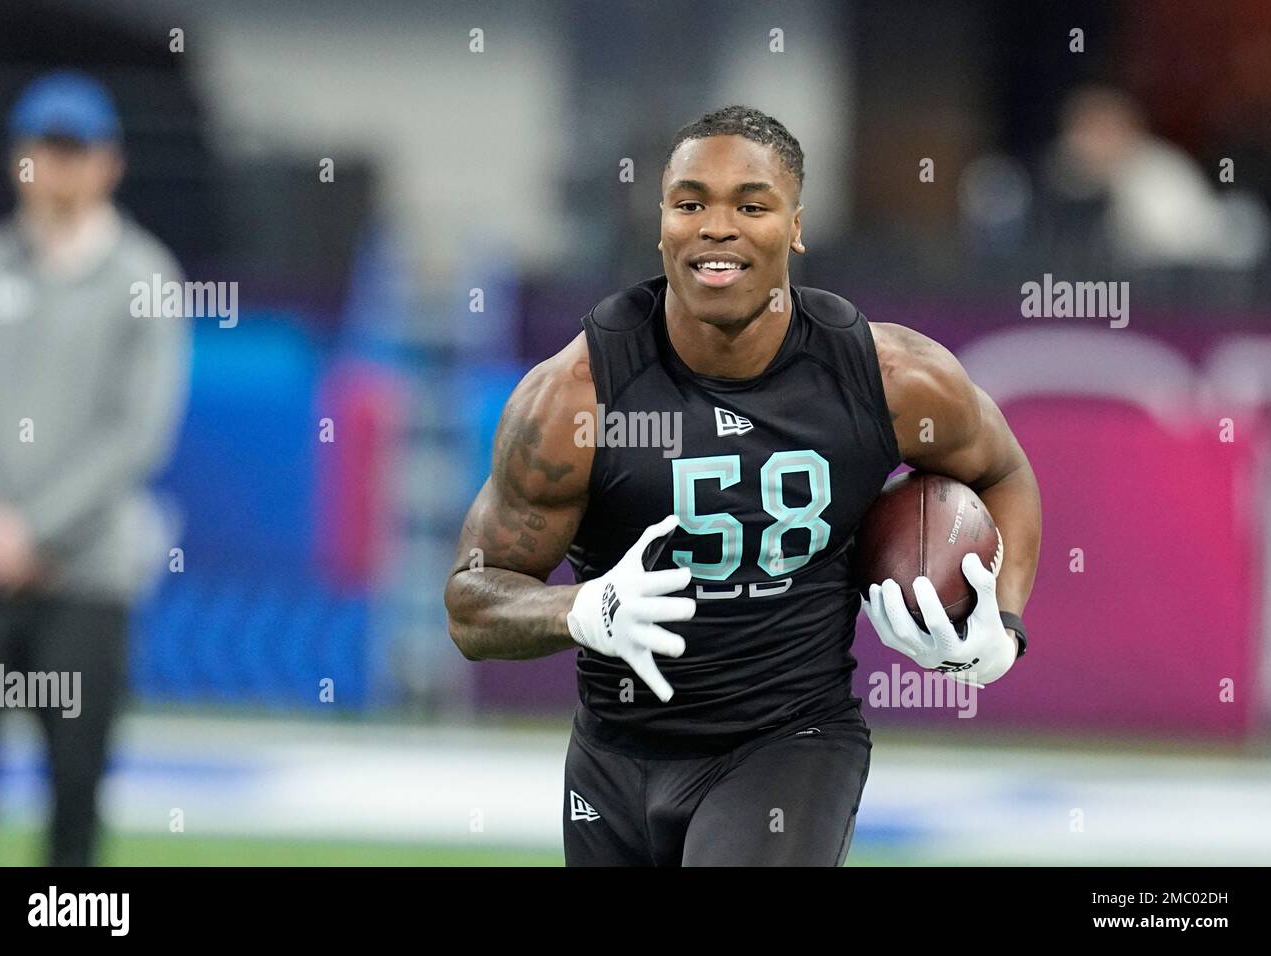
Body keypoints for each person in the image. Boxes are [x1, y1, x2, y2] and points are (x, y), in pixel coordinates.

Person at [444, 105, 1041, 866]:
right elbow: (470, 604)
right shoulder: (576, 397)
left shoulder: (887, 378)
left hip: (789, 742)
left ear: (794, 225)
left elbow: (1004, 471)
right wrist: (582, 608)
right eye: (690, 203)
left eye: (750, 205)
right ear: (661, 222)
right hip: (614, 754)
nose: (716, 226)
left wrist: (1004, 628)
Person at [0, 70, 191, 866]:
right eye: (42, 149)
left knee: (75, 789)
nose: (55, 168)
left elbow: (135, 434)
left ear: (108, 163)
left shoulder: (145, 280)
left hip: (88, 577)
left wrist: (33, 531)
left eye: (74, 150)